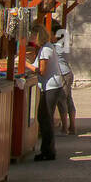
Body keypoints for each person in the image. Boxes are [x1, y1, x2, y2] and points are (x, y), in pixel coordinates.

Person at [31, 26, 63, 161]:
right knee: (43, 117)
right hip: (50, 86)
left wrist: (25, 64)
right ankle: (47, 149)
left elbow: (42, 70)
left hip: (51, 86)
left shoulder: (45, 50)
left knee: (45, 118)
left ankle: (48, 151)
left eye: (33, 35)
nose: (31, 38)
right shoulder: (47, 48)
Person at [51, 20, 76, 135]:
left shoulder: (55, 47)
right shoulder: (64, 45)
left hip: (62, 74)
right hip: (67, 72)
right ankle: (72, 126)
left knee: (61, 101)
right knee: (68, 99)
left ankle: (65, 127)